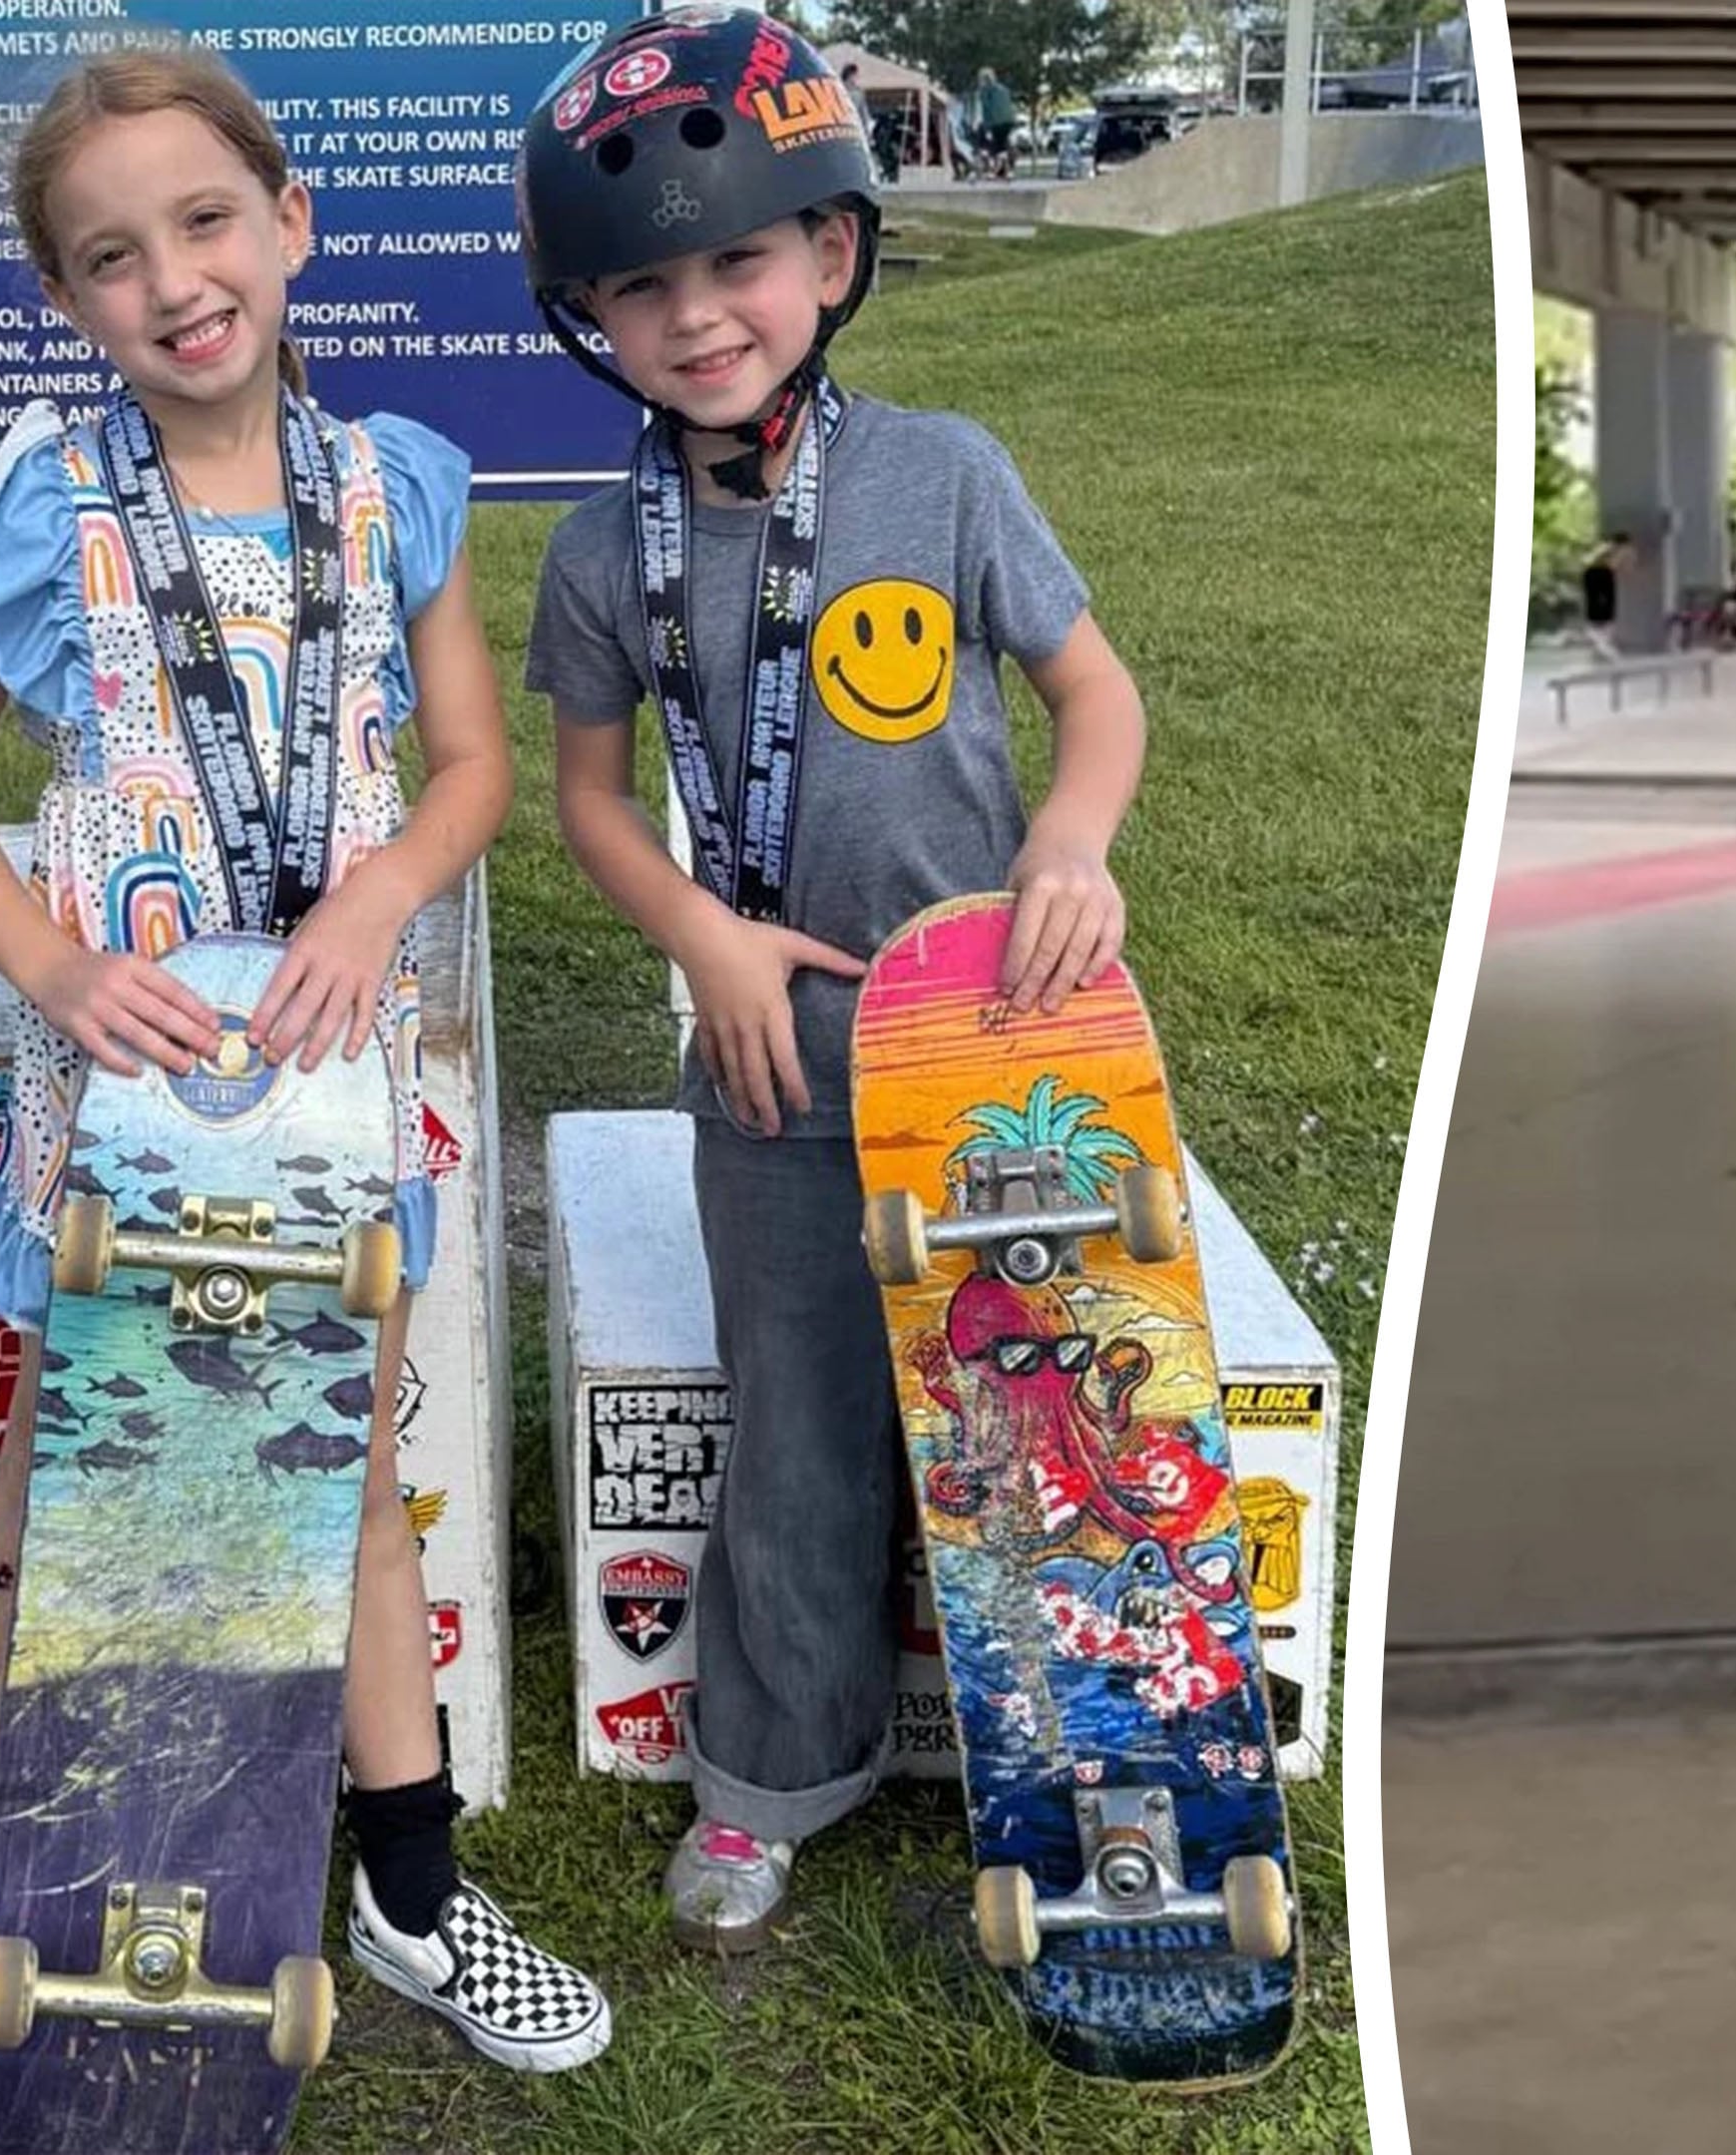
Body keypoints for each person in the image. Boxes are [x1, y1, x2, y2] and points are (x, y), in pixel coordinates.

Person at [0, 39, 612, 2070]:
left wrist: (370, 902)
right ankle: (2, 1863)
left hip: (316, 1085)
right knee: (66, 1481)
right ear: (67, 299)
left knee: (352, 1485)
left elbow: (469, 770)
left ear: (290, 224)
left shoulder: (395, 489)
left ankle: (413, 1899)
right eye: (111, 256)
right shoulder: (43, 504)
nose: (173, 279)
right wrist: (45, 964)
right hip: (116, 1090)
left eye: (206, 222)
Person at [513, 6, 1148, 1953]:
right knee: (796, 1422)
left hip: (994, 1051)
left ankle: (1083, 1768)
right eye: (646, 286)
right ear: (590, 319)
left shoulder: (946, 478)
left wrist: (1070, 846)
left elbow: (1095, 696)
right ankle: (773, 1775)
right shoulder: (596, 550)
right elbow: (591, 801)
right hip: (775, 1062)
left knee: (1040, 1406)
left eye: (739, 260)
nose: (701, 315)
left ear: (834, 256)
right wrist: (696, 932)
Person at [1578, 532, 1631, 657]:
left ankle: (1601, 632)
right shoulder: (1612, 548)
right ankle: (1598, 632)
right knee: (1604, 606)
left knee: (1602, 606)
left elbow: (1589, 560)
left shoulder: (1606, 548)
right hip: (1598, 574)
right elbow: (1617, 565)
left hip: (1594, 573)